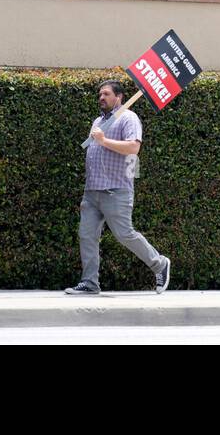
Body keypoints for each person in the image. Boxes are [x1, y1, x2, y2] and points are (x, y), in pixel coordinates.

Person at [65, 80, 170, 295]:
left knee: (124, 234)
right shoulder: (98, 121)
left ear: (118, 97)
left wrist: (103, 141)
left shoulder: (128, 118)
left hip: (115, 190)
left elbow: (133, 147)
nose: (101, 98)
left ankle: (160, 264)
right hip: (92, 191)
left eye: (106, 94)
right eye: (99, 94)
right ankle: (90, 283)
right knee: (87, 235)